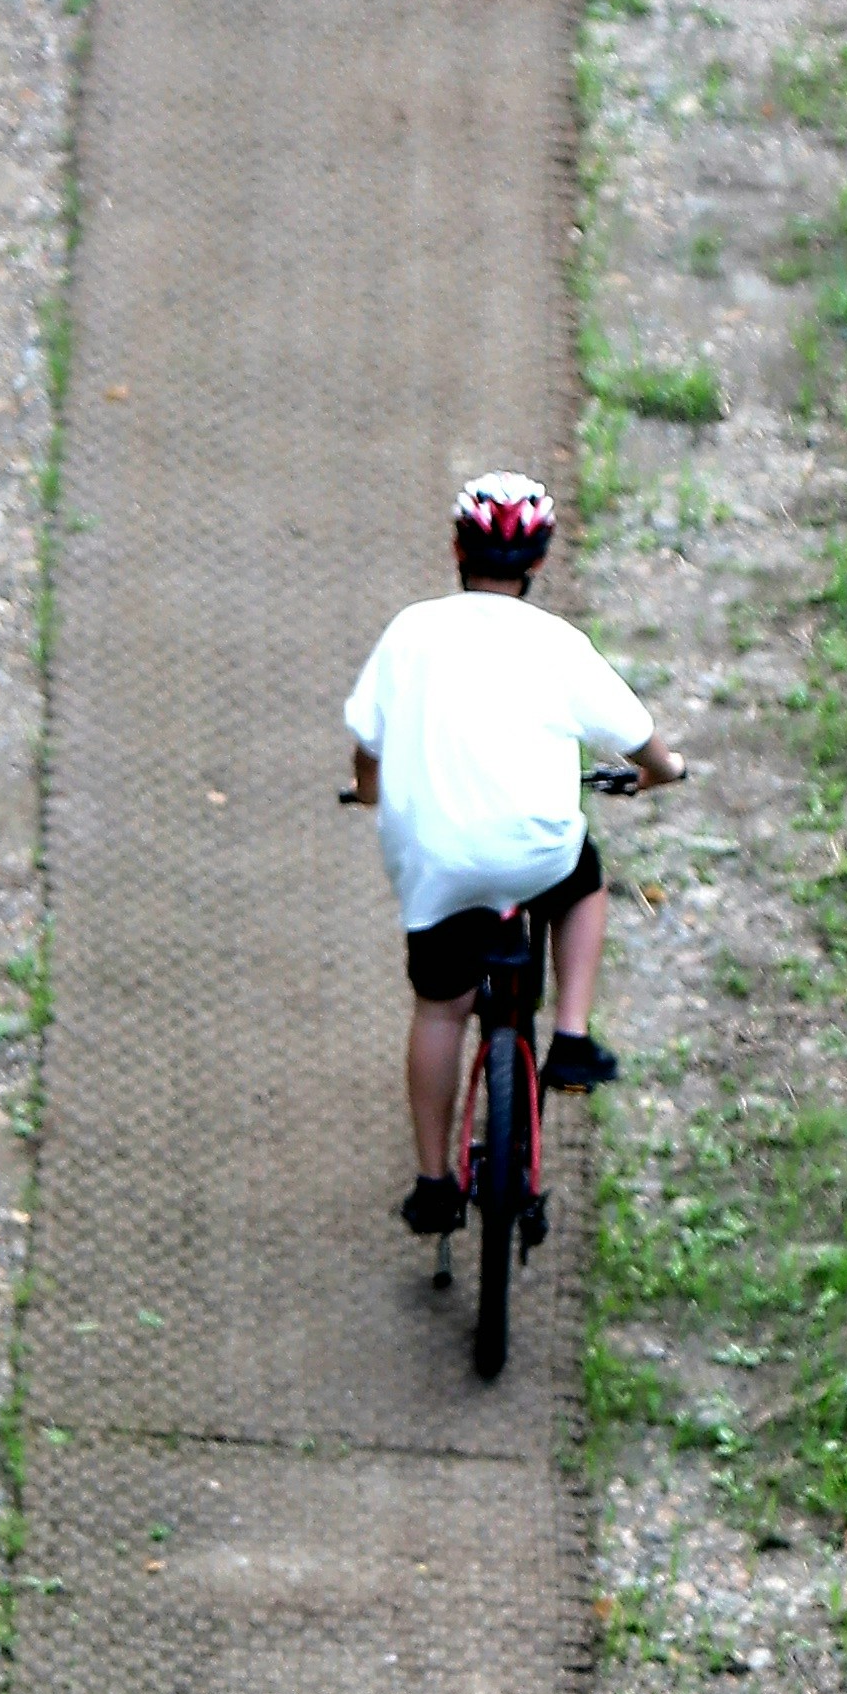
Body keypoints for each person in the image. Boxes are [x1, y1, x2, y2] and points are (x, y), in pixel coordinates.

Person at [340, 471, 686, 1239]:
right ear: (538, 560)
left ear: (458, 549)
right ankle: (568, 1036)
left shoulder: (411, 631)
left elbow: (368, 742)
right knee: (583, 877)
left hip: (436, 860)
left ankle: (434, 1184)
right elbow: (641, 741)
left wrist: (368, 790)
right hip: (533, 851)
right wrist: (662, 774)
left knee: (440, 1005)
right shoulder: (556, 643)